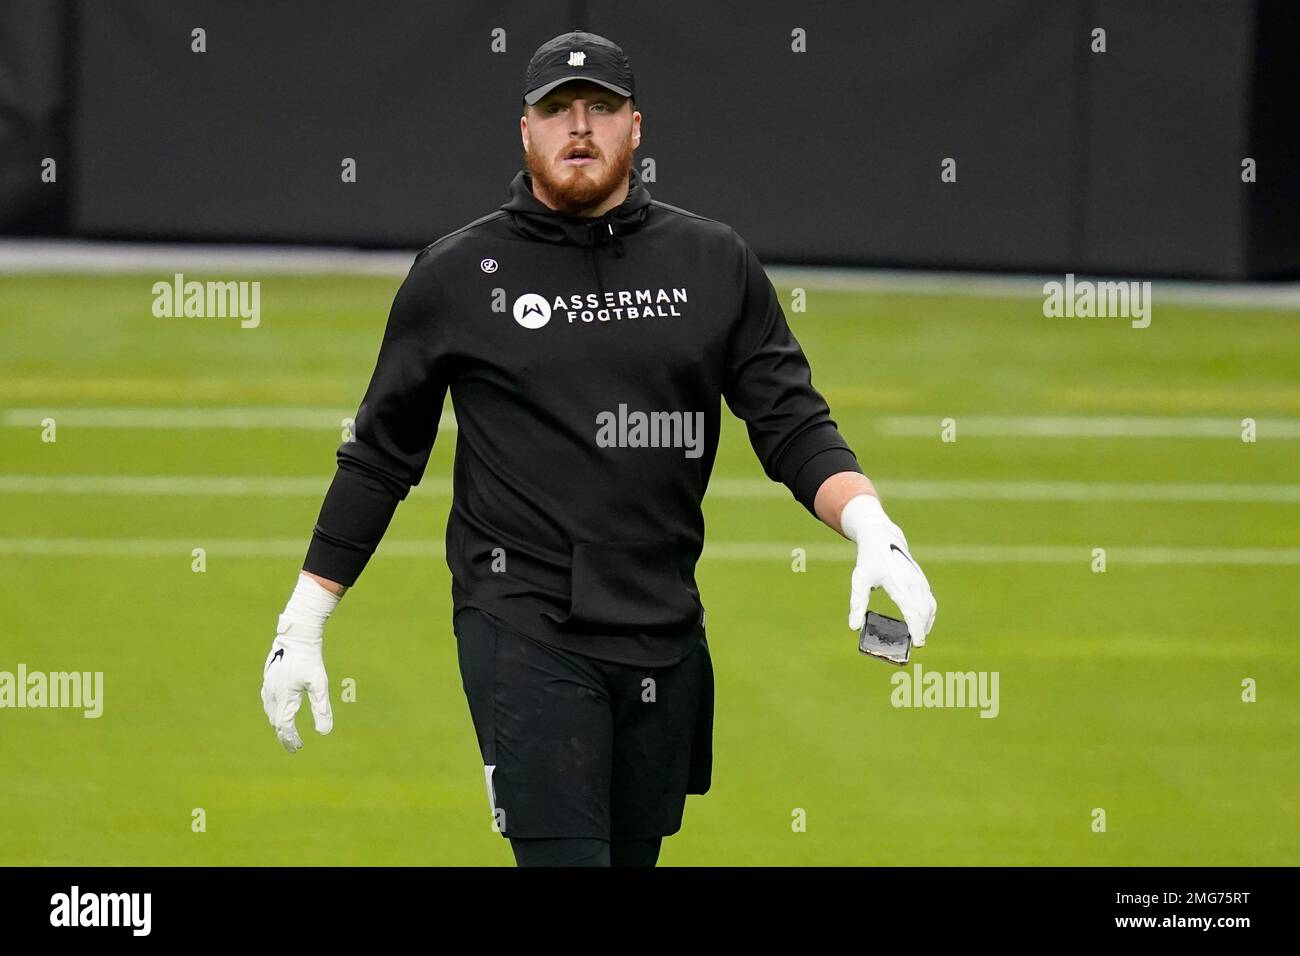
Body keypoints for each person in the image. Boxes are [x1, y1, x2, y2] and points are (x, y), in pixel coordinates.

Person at [260, 30, 937, 867]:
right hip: (522, 626)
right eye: (556, 110)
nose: (579, 127)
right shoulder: (458, 275)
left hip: (664, 628)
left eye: (601, 108)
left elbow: (790, 420)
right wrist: (306, 617)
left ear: (635, 128)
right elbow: (381, 455)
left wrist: (873, 526)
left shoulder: (711, 262)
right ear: (526, 131)